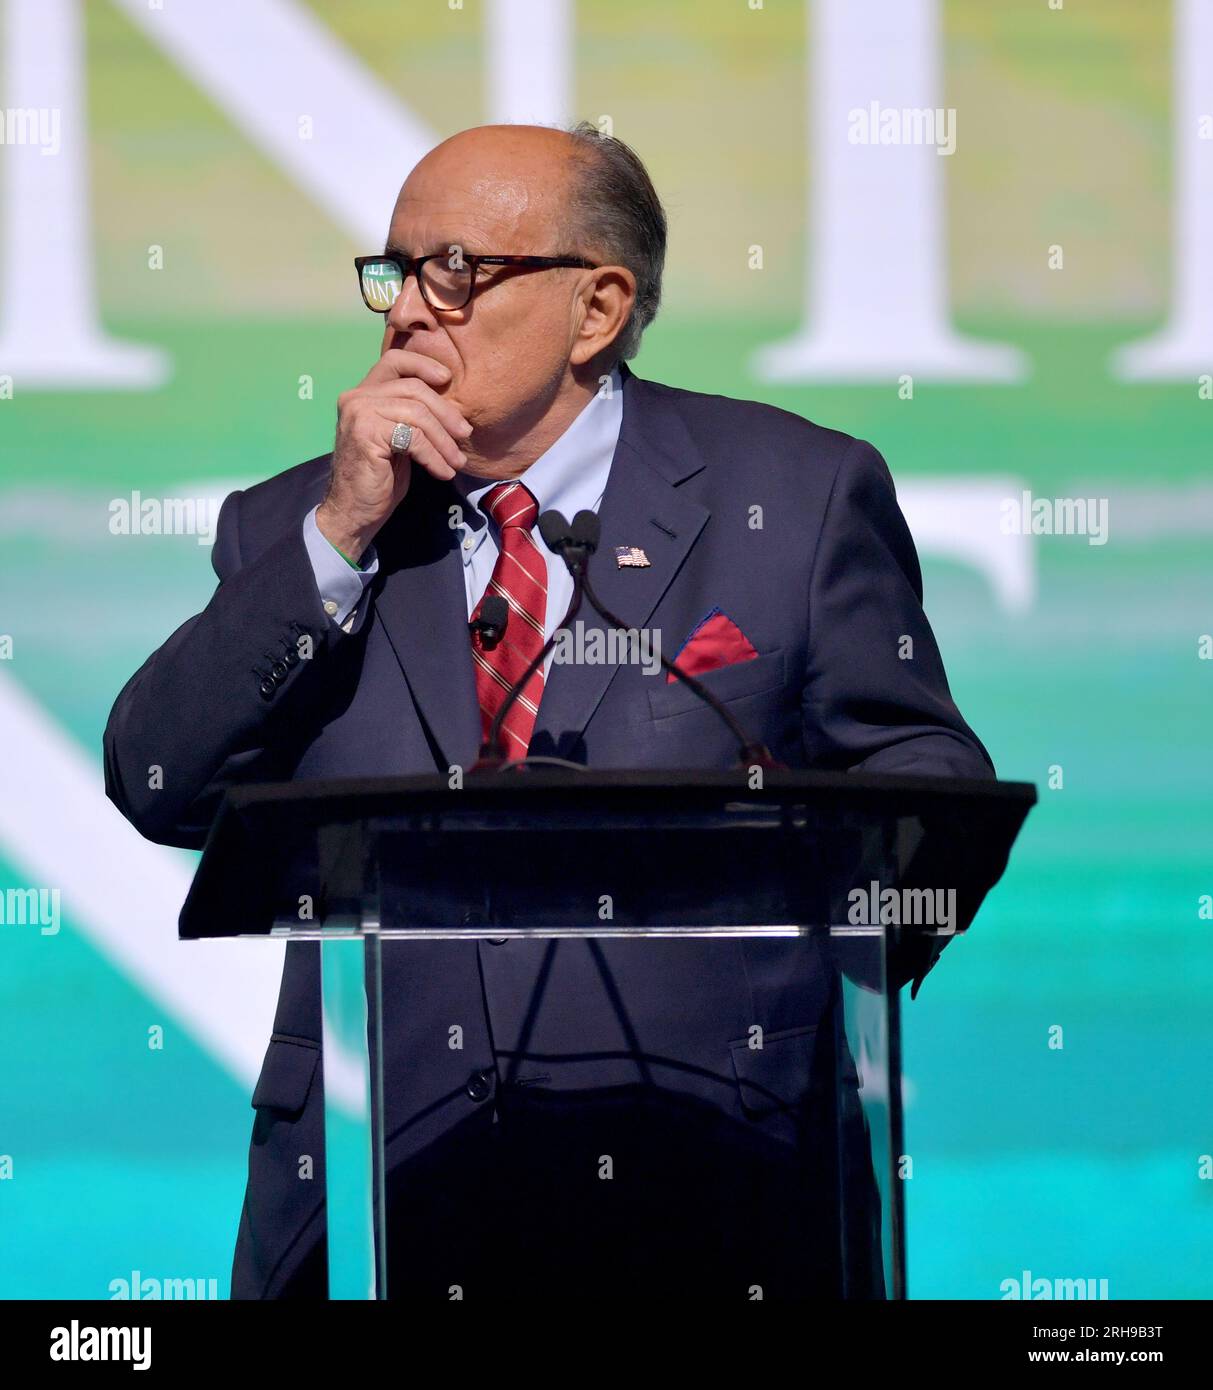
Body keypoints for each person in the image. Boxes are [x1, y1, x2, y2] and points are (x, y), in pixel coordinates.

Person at [104, 121, 994, 1300]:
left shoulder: (796, 494)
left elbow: (924, 775)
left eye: (458, 272)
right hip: (386, 1197)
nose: (410, 311)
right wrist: (341, 537)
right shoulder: (300, 528)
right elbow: (155, 779)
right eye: (396, 270)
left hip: (722, 1184)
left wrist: (816, 955)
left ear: (598, 308)